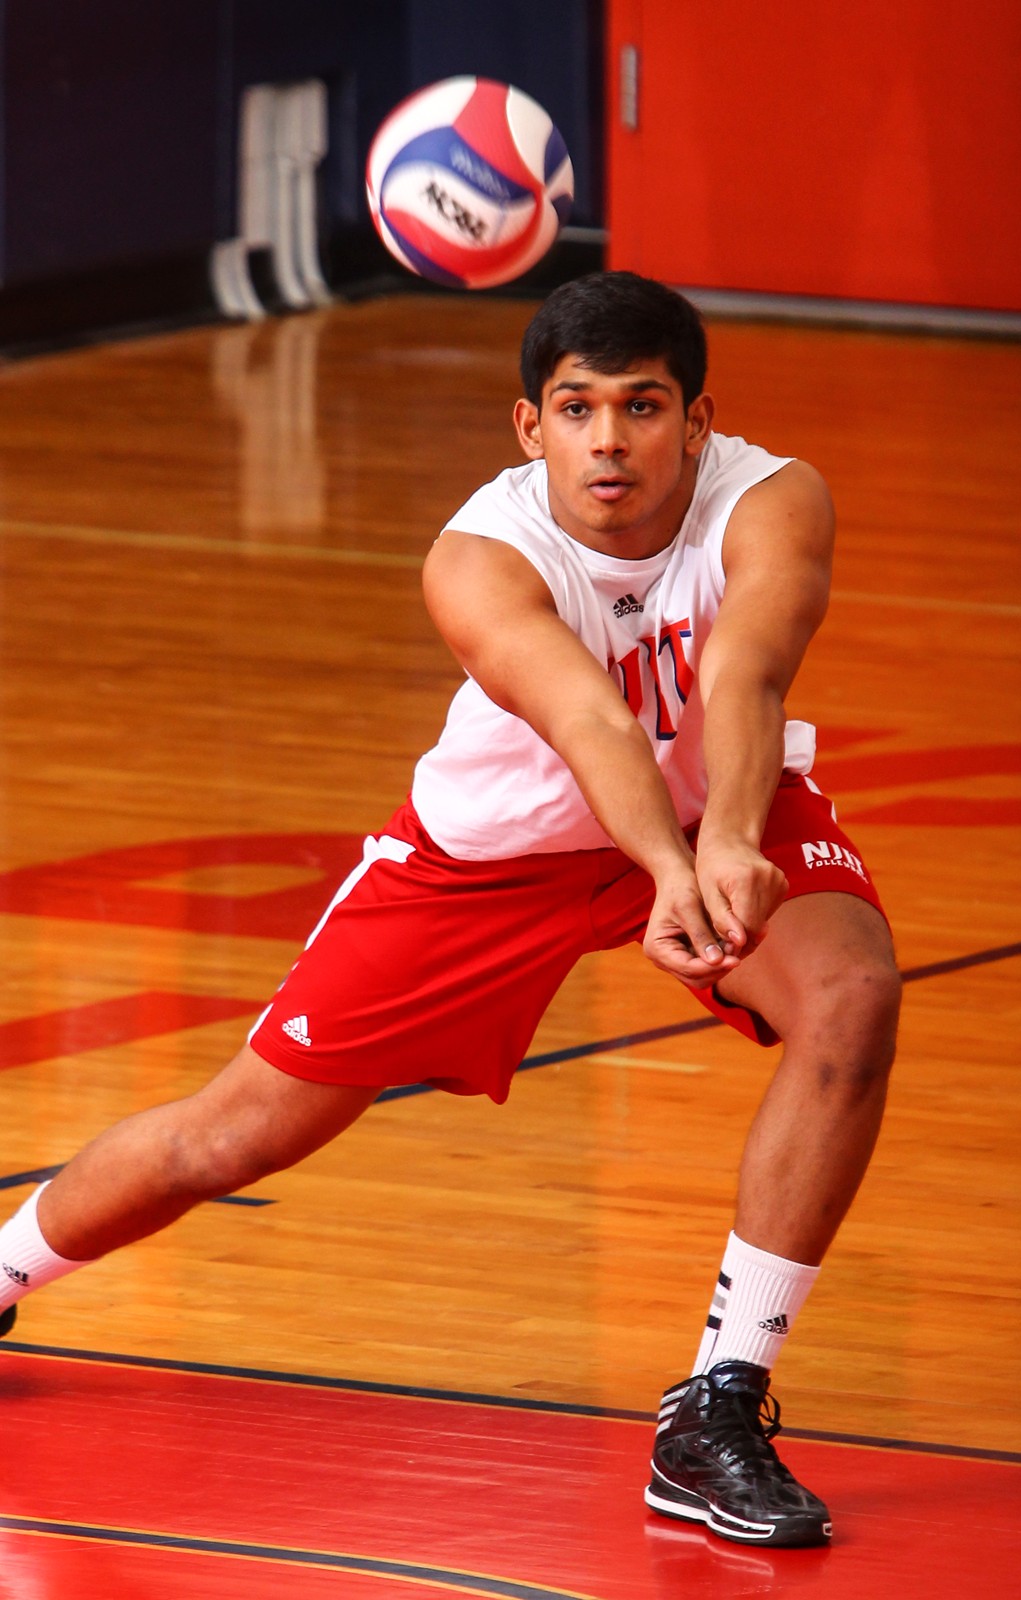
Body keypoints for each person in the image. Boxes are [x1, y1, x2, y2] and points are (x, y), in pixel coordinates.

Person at [0, 271, 900, 1549]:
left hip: (714, 812)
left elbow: (747, 673)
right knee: (233, 1136)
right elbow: (586, 718)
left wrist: (731, 847)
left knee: (852, 994)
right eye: (576, 409)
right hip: (496, 853)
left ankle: (716, 1408)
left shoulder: (771, 498)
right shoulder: (479, 554)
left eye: (641, 408)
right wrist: (666, 869)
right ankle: (3, 1270)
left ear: (698, 421)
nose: (607, 440)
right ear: (527, 427)